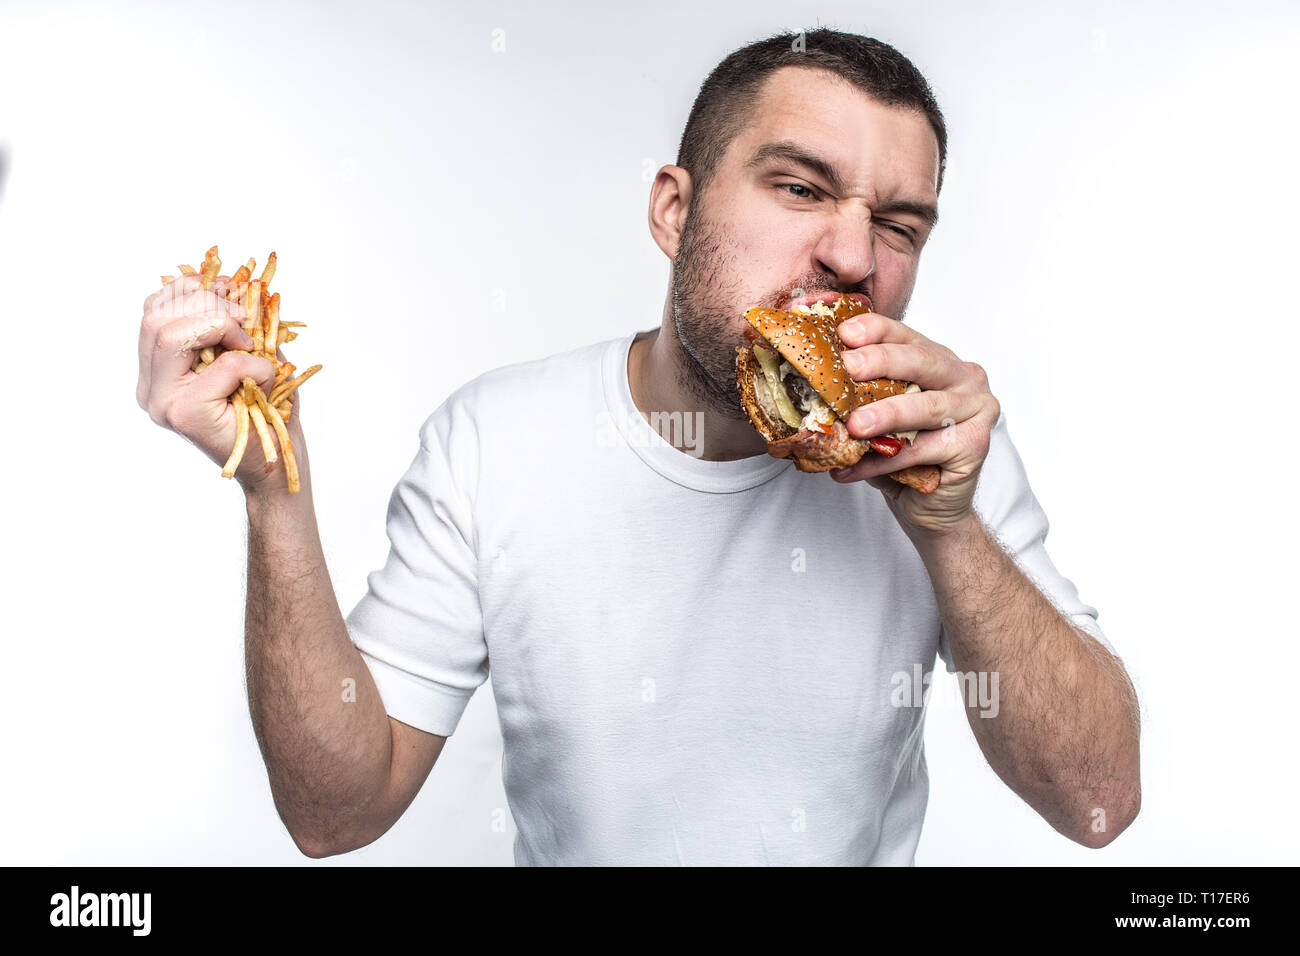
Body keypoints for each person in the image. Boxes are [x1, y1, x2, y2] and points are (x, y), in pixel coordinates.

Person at [136, 28, 1140, 865]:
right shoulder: (496, 440)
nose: (850, 255)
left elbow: (1098, 803)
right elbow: (335, 810)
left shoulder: (938, 446)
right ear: (675, 208)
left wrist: (951, 530)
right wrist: (274, 490)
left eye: (898, 225)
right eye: (799, 188)